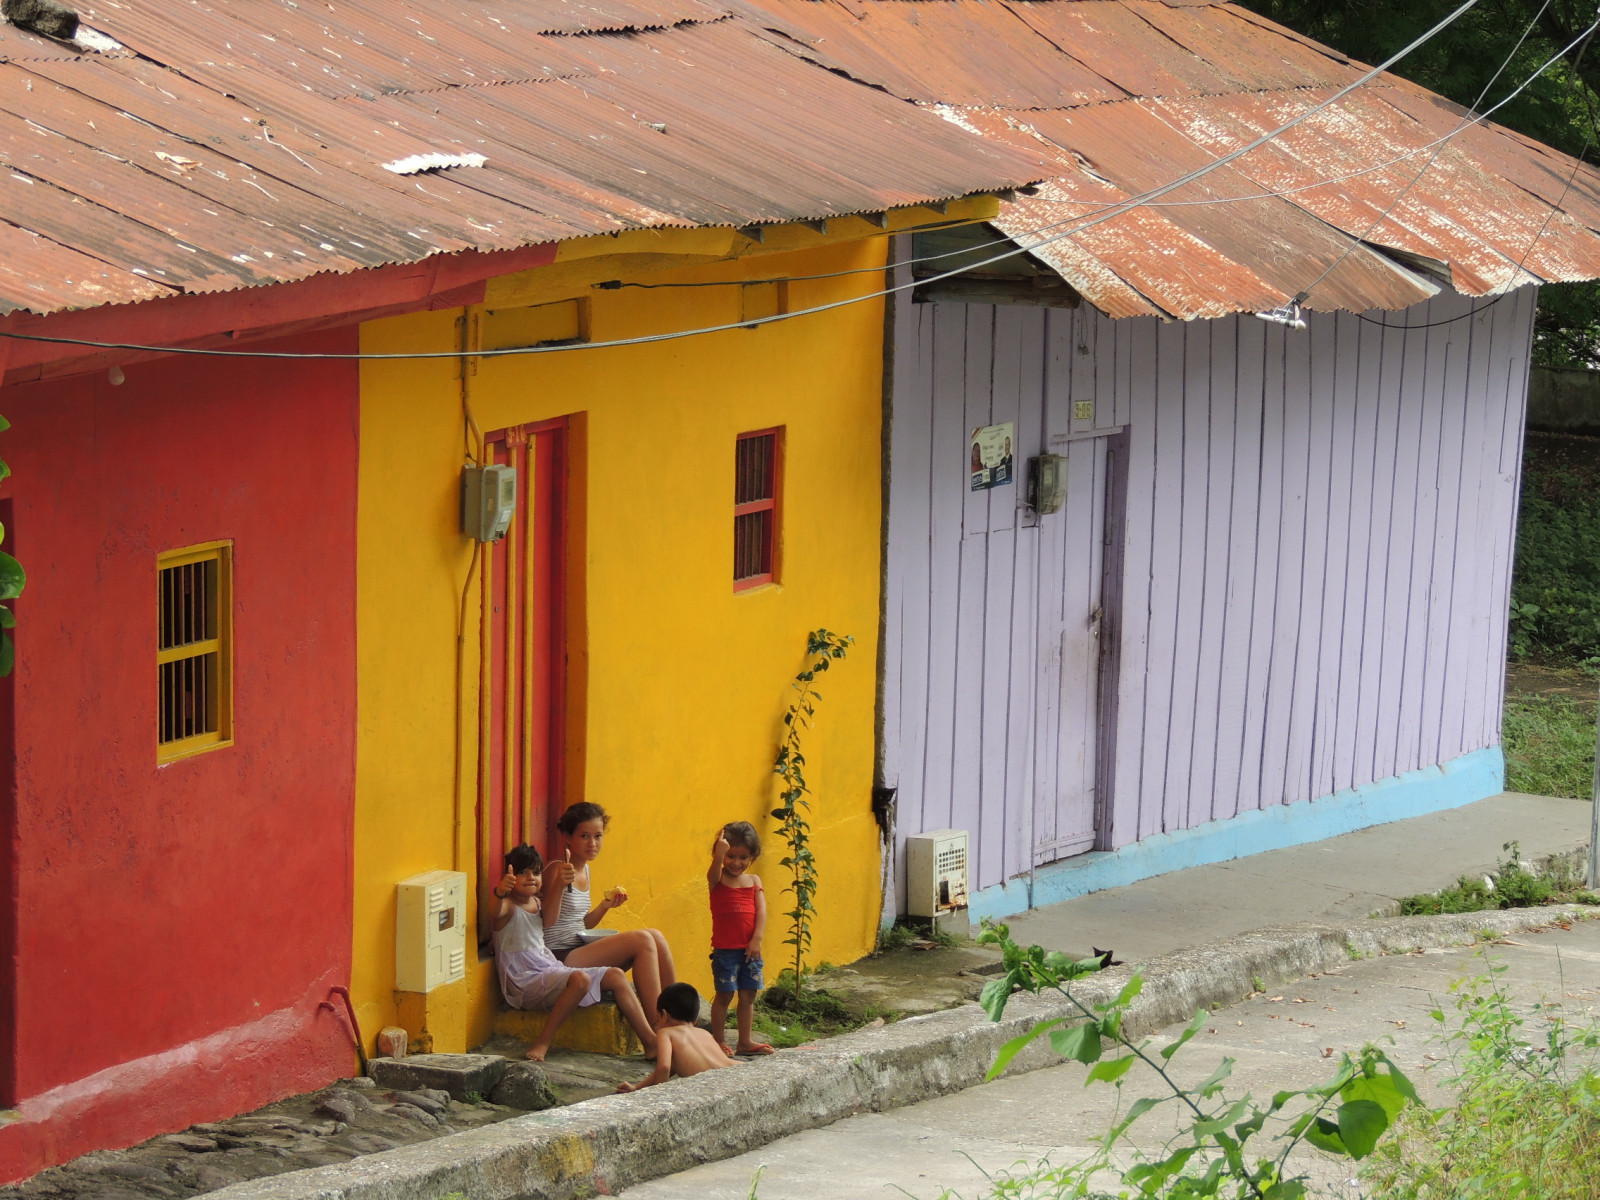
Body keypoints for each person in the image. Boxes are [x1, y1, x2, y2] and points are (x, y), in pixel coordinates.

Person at [491, 843, 657, 1062]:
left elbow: (550, 921)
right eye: (522, 873)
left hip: (547, 969)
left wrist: (560, 883)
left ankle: (652, 1042)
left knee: (616, 975)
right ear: (510, 876)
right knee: (580, 979)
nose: (530, 877)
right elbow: (495, 911)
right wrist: (500, 891)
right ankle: (543, 1042)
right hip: (523, 980)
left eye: (536, 872)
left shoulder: (538, 903)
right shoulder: (508, 905)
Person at [542, 802, 678, 1024]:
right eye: (584, 836)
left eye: (598, 836)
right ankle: (659, 1025)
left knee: (656, 936)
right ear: (568, 837)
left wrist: (605, 905)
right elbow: (547, 922)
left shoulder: (585, 869)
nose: (592, 843)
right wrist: (558, 886)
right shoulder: (558, 869)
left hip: (580, 949)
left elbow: (582, 924)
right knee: (643, 939)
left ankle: (676, 1014)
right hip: (558, 956)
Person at [707, 822, 774, 1056]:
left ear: (753, 856)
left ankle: (745, 1042)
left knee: (748, 995)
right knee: (724, 995)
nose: (736, 862)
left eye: (743, 857)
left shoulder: (755, 881)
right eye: (730, 856)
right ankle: (718, 1041)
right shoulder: (717, 880)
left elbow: (762, 912)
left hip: (751, 950)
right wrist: (719, 855)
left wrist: (757, 939)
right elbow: (713, 872)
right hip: (726, 951)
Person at [615, 983, 737, 1092]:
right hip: (735, 1073)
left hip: (713, 1086)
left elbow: (664, 1068)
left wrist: (656, 1096)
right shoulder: (704, 1033)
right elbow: (672, 1068)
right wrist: (636, 1088)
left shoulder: (666, 1033)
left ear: (663, 1015)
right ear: (695, 1020)